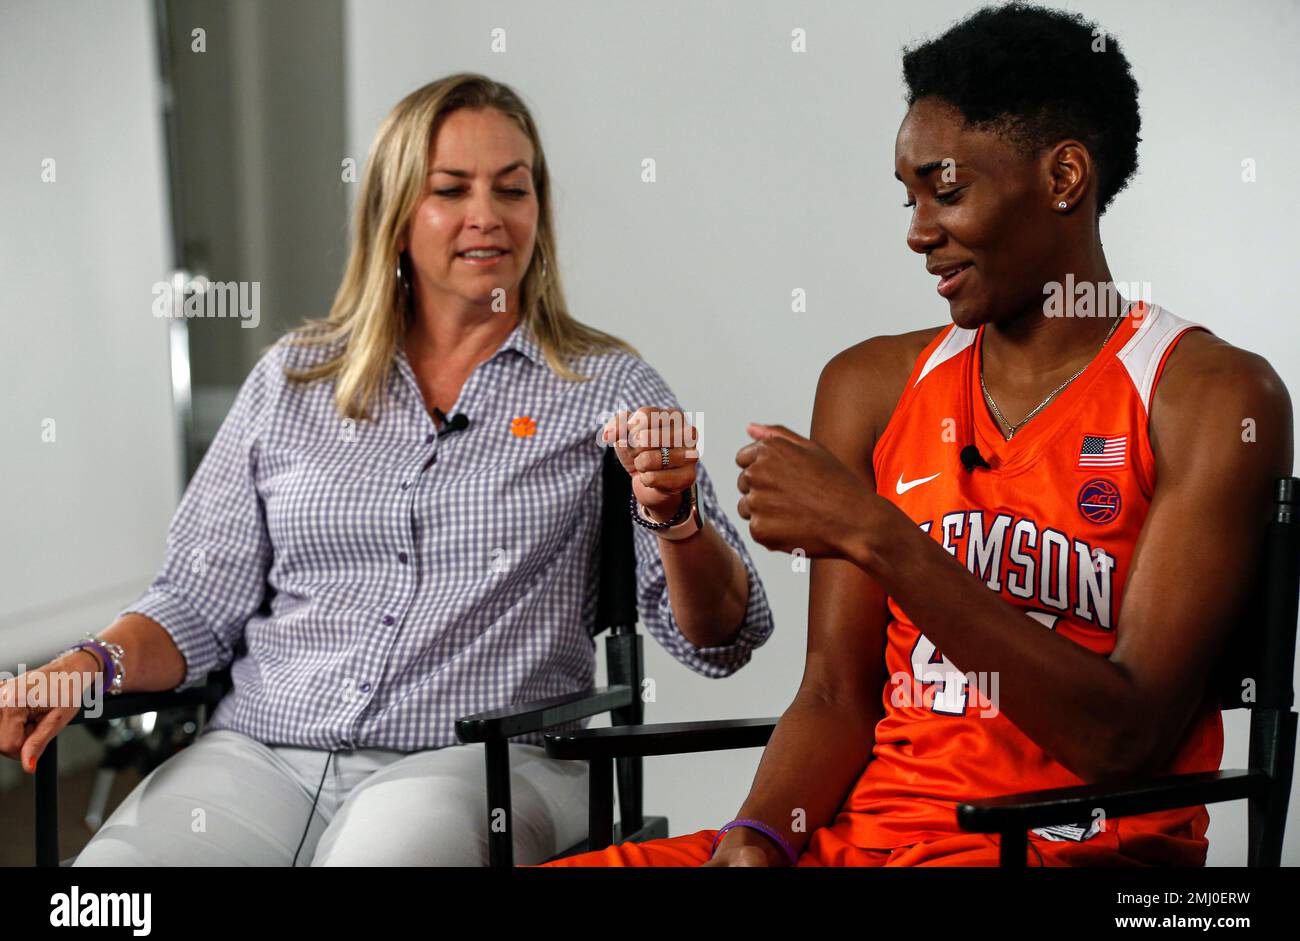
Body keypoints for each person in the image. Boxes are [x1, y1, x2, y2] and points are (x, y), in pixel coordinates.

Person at [538, 2, 1292, 868]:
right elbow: (833, 693)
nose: (918, 231)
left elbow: (1124, 736)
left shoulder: (1212, 395)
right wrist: (758, 839)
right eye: (909, 197)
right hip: (867, 843)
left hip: (1064, 854)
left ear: (1064, 178)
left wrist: (877, 534)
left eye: (948, 190)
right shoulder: (868, 387)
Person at [0, 73, 774, 866]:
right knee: (108, 895)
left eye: (513, 189)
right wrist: (84, 666)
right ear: (395, 216)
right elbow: (196, 602)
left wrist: (674, 518)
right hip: (263, 754)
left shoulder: (605, 387)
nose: (488, 216)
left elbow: (722, 637)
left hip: (486, 761)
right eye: (451, 189)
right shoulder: (294, 378)